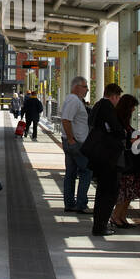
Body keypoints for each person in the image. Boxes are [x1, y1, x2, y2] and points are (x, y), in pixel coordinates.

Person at [84, 83, 125, 236]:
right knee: (109, 193)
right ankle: (101, 226)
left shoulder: (97, 106)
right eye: (118, 97)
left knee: (102, 192)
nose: (118, 101)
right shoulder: (107, 107)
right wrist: (123, 134)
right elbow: (117, 130)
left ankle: (99, 224)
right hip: (108, 158)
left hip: (100, 157)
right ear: (114, 96)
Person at [111, 94, 140, 227]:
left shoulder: (125, 122)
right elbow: (117, 139)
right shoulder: (119, 122)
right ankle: (116, 217)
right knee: (125, 193)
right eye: (132, 107)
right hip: (125, 164)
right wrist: (130, 141)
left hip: (131, 164)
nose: (133, 110)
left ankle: (122, 217)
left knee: (129, 193)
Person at [60, 75, 91, 213]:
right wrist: (71, 139)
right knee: (86, 172)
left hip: (71, 141)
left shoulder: (73, 100)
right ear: (76, 87)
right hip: (76, 143)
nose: (87, 89)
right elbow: (66, 120)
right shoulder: (73, 100)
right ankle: (81, 204)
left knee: (71, 173)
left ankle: (69, 203)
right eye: (85, 86)